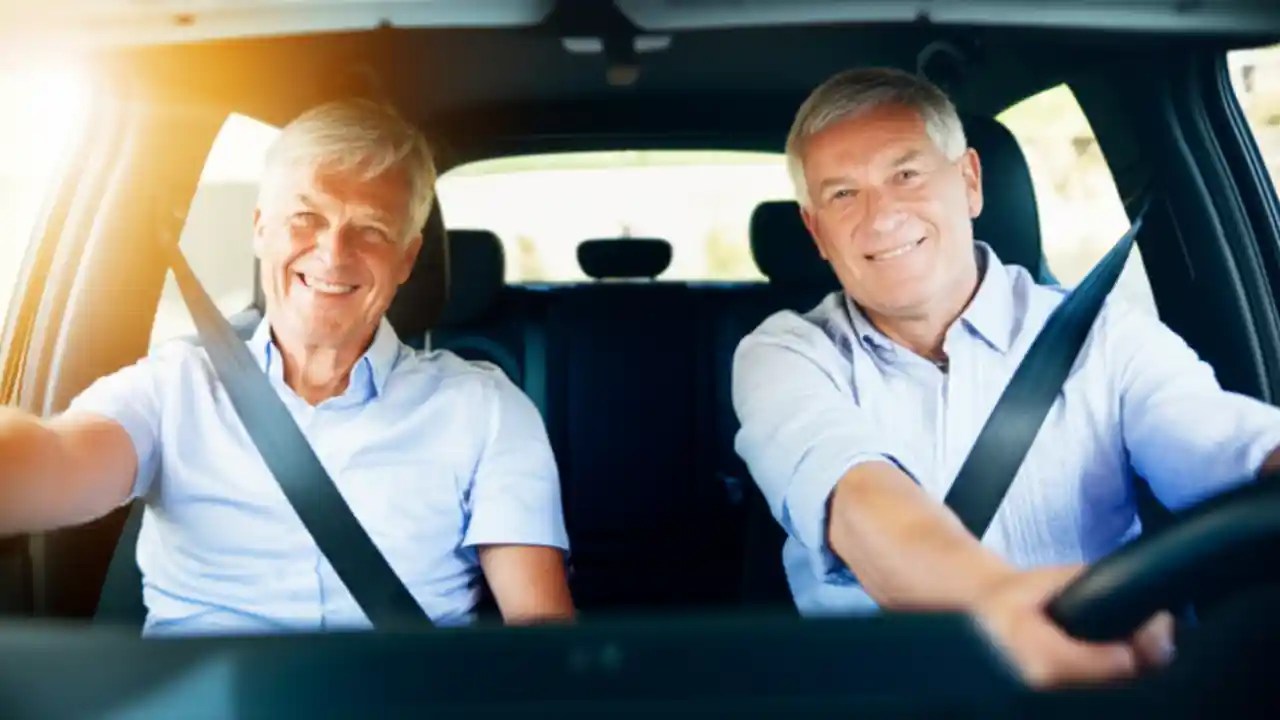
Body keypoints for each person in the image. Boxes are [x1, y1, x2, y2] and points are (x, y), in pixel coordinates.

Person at [732, 67, 1280, 687]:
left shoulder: (1103, 335)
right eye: (841, 194)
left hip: (1106, 683)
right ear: (816, 231)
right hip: (888, 697)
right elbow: (859, 500)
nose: (879, 216)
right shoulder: (784, 355)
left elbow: (1226, 441)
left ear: (968, 182)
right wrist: (994, 605)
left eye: (905, 174)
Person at [0, 99, 574, 635]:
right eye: (306, 217)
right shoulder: (174, 387)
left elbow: (541, 638)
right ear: (260, 228)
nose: (333, 253)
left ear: (407, 258)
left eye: (370, 229)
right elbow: (54, 460)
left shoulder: (486, 409)